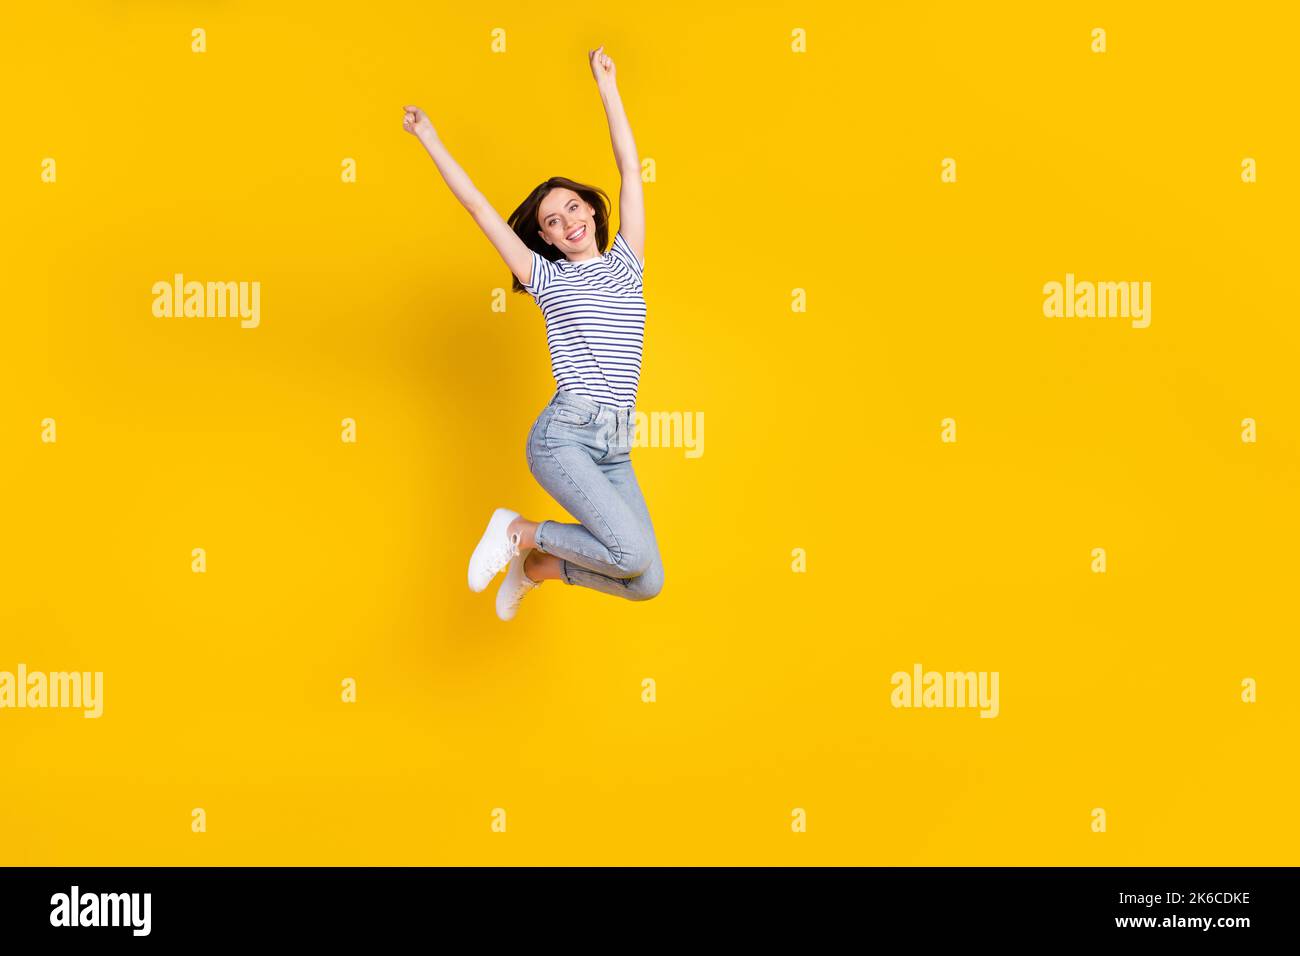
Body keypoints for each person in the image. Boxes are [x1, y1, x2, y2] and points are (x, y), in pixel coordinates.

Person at [403, 45, 664, 621]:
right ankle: (519, 531)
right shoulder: (542, 275)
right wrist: (429, 138)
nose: (569, 222)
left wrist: (607, 87)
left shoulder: (628, 262)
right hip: (564, 436)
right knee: (631, 550)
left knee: (645, 580)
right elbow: (477, 208)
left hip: (615, 445)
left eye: (574, 209)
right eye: (553, 220)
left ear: (592, 214)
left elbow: (628, 168)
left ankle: (539, 565)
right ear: (544, 237)